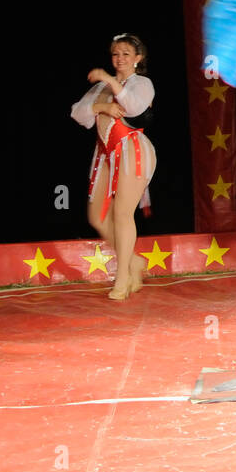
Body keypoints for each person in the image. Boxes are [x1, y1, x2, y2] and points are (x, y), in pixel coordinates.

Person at [71, 34, 157, 300]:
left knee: (122, 214)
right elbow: (78, 112)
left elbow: (133, 106)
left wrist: (109, 80)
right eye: (116, 54)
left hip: (132, 150)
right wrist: (102, 105)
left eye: (126, 54)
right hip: (105, 153)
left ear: (137, 59)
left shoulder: (141, 83)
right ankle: (133, 262)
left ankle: (123, 280)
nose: (119, 59)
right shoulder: (102, 89)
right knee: (96, 217)